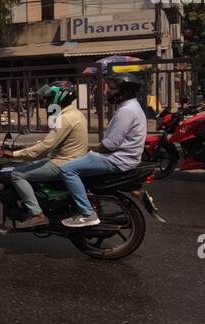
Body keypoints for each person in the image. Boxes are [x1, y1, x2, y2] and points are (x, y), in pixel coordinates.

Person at [58, 72, 148, 228]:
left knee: (67, 169)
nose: (107, 92)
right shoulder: (133, 106)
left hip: (116, 159)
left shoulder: (126, 112)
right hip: (124, 157)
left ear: (123, 92)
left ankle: (87, 213)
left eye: (112, 89)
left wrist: (90, 152)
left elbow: (109, 145)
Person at [0, 81, 87, 227]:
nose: (47, 100)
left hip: (62, 162)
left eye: (50, 96)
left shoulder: (65, 118)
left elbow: (46, 146)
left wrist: (13, 154)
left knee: (17, 174)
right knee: (30, 164)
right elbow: (52, 137)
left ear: (60, 95)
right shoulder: (73, 113)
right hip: (71, 159)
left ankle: (36, 213)